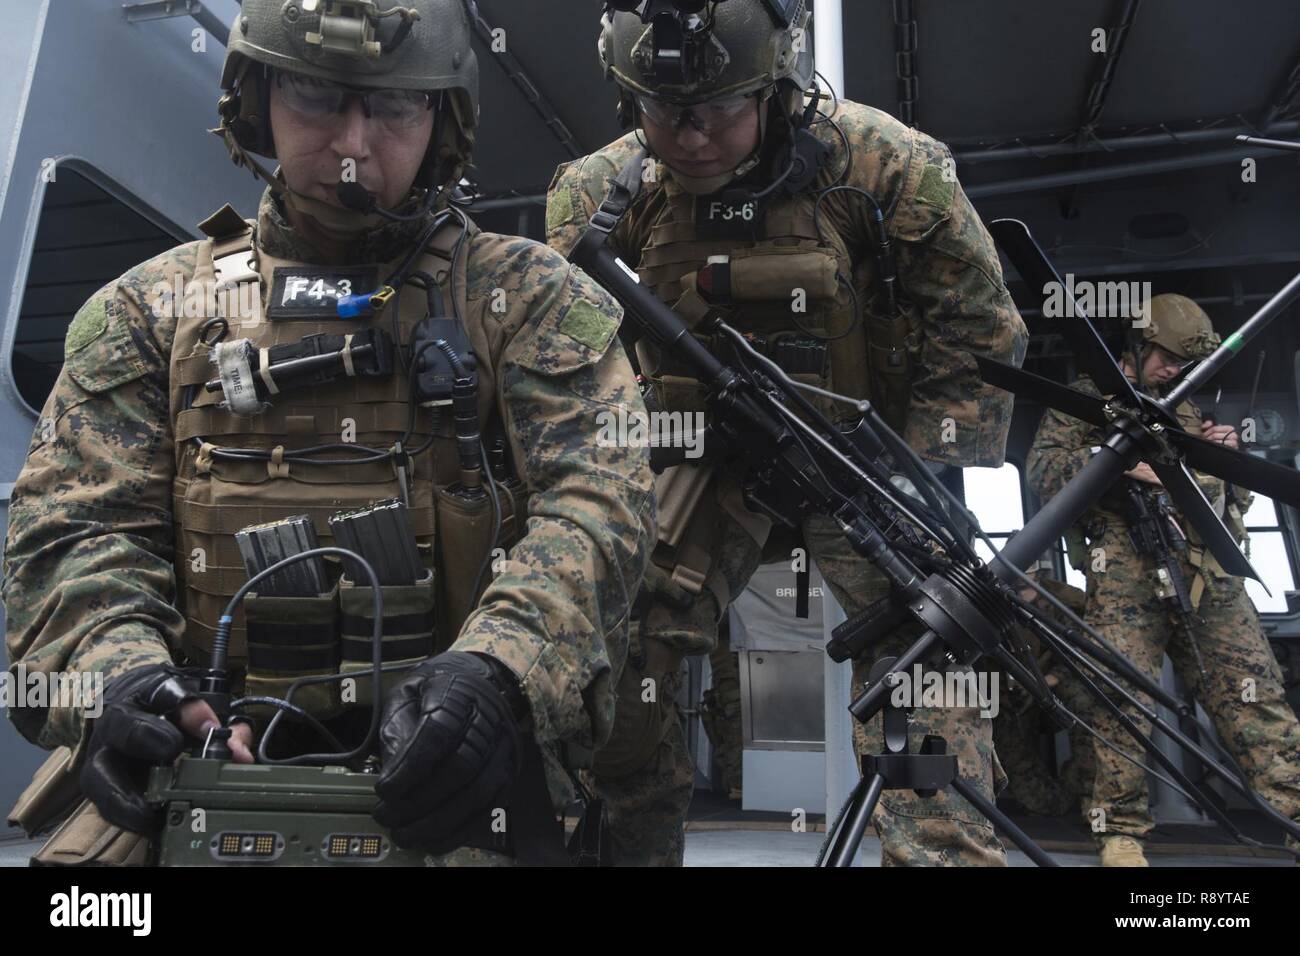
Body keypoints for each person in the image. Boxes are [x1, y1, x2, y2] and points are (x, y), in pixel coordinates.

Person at [3, 0, 654, 865]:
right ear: (254, 98)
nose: (353, 143)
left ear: (442, 119)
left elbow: (600, 509)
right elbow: (72, 533)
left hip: (450, 770)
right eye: (315, 96)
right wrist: (122, 678)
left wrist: (497, 673)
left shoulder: (527, 299)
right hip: (209, 766)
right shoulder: (147, 313)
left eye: (393, 107)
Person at [547, 0, 1027, 866]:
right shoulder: (595, 197)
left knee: (930, 649)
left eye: (721, 109)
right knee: (618, 654)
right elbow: (571, 369)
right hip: (691, 458)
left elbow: (981, 328)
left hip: (860, 460)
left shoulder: (884, 163)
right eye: (663, 111)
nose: (691, 136)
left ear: (776, 87)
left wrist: (923, 462)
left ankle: (945, 851)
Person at [1026, 293, 1300, 866]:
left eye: (1184, 362)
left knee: (1255, 701)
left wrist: (1222, 458)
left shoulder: (1192, 411)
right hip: (1125, 580)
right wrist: (1116, 460)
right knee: (1117, 702)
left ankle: (1294, 815)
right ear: (1139, 342)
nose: (1175, 371)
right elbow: (1044, 473)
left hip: (1210, 581)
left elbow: (1225, 506)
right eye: (1167, 357)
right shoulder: (1085, 403)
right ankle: (1118, 831)